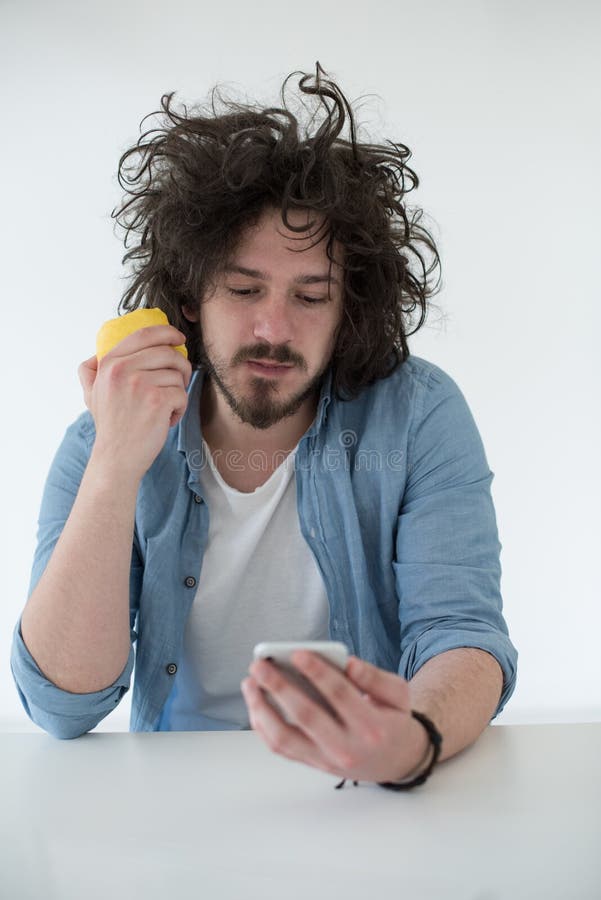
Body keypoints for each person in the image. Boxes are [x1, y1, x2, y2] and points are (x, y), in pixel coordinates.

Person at [11, 62, 517, 790]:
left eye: (311, 296)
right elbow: (59, 705)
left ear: (350, 309)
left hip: (363, 792)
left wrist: (408, 743)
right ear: (190, 298)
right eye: (244, 289)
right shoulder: (99, 440)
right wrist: (116, 465)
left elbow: (462, 635)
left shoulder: (419, 416)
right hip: (173, 797)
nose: (273, 328)